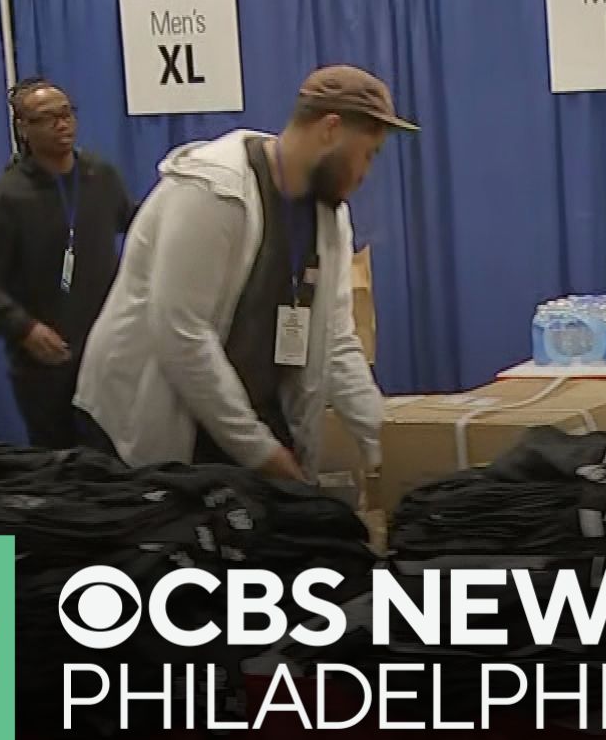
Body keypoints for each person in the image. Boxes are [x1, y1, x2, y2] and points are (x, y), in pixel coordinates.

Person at [73, 65, 413, 482]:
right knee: (129, 542)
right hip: (143, 416)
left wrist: (384, 440)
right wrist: (261, 451)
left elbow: (336, 340)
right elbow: (181, 333)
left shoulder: (329, 217)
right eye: (368, 153)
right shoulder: (213, 191)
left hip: (231, 416)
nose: (366, 173)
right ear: (330, 129)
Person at [0, 78, 136, 448]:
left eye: (67, 113)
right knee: (62, 470)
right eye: (47, 118)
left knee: (114, 463)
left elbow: (140, 231)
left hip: (105, 354)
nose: (63, 124)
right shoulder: (8, 196)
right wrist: (25, 329)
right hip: (46, 363)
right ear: (23, 129)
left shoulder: (101, 177)